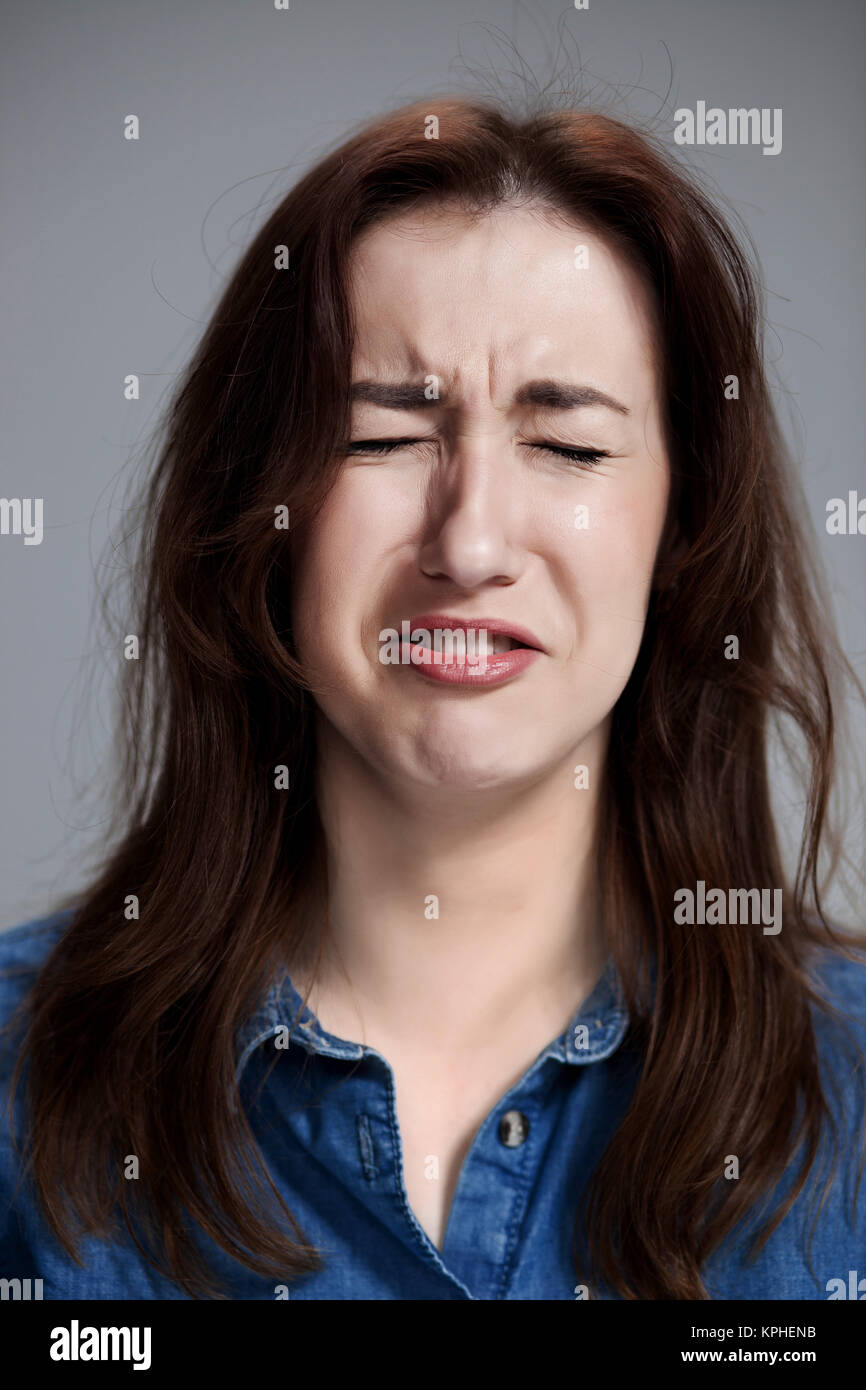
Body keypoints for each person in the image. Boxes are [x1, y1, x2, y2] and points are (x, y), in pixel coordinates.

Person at [1, 95, 864, 1302]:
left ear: (682, 526)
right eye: (380, 437)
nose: (468, 544)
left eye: (564, 445)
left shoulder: (853, 1098)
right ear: (264, 518)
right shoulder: (16, 1085)